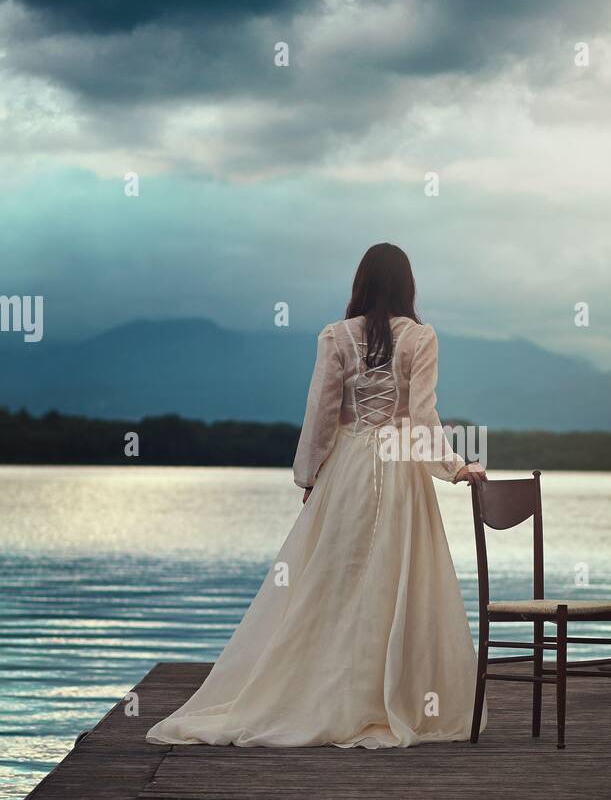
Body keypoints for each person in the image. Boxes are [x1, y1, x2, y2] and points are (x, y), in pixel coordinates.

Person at [146, 242, 487, 749]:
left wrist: (309, 477)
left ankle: (321, 691)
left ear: (361, 284)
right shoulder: (420, 337)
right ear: (406, 285)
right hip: (400, 475)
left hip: (345, 472)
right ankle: (384, 697)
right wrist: (456, 467)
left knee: (331, 578)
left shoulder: (335, 336)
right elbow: (421, 418)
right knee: (397, 579)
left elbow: (322, 417)